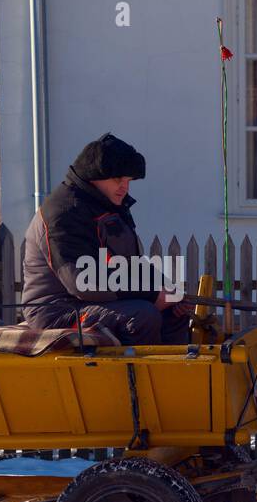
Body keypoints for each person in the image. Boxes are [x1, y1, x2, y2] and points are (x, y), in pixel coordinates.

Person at [21, 133, 191, 345]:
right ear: (95, 175)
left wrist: (168, 292)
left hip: (92, 303)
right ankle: (134, 377)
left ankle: (175, 376)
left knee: (174, 315)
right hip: (55, 310)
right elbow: (82, 281)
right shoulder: (63, 212)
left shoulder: (110, 206)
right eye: (118, 179)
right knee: (142, 316)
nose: (125, 187)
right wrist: (151, 295)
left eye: (128, 181)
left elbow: (131, 266)